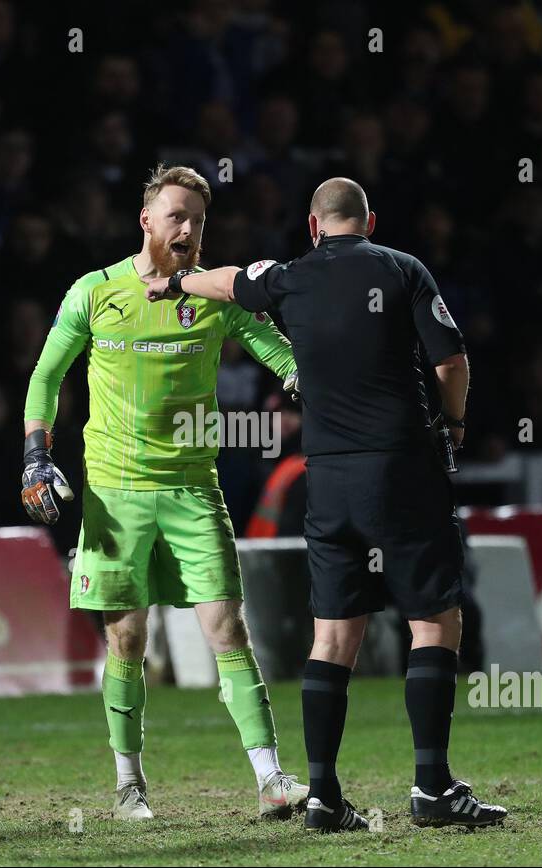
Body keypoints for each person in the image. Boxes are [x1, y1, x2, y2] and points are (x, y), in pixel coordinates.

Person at [144, 178, 508, 832]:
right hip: (401, 472)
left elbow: (228, 282)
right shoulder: (402, 270)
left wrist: (174, 284)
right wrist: (454, 426)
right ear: (369, 219)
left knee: (334, 636)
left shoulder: (290, 277)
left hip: (328, 481)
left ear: (313, 227)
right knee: (434, 622)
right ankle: (430, 786)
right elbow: (451, 362)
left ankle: (322, 796)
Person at [20, 165, 309, 822]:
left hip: (192, 491)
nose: (189, 229)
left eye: (199, 220)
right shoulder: (94, 292)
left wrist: (312, 383)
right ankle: (129, 784)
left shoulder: (215, 294)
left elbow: (282, 355)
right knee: (126, 640)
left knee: (229, 628)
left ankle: (270, 779)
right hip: (115, 496)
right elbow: (45, 377)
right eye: (177, 215)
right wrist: (36, 456)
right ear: (146, 220)